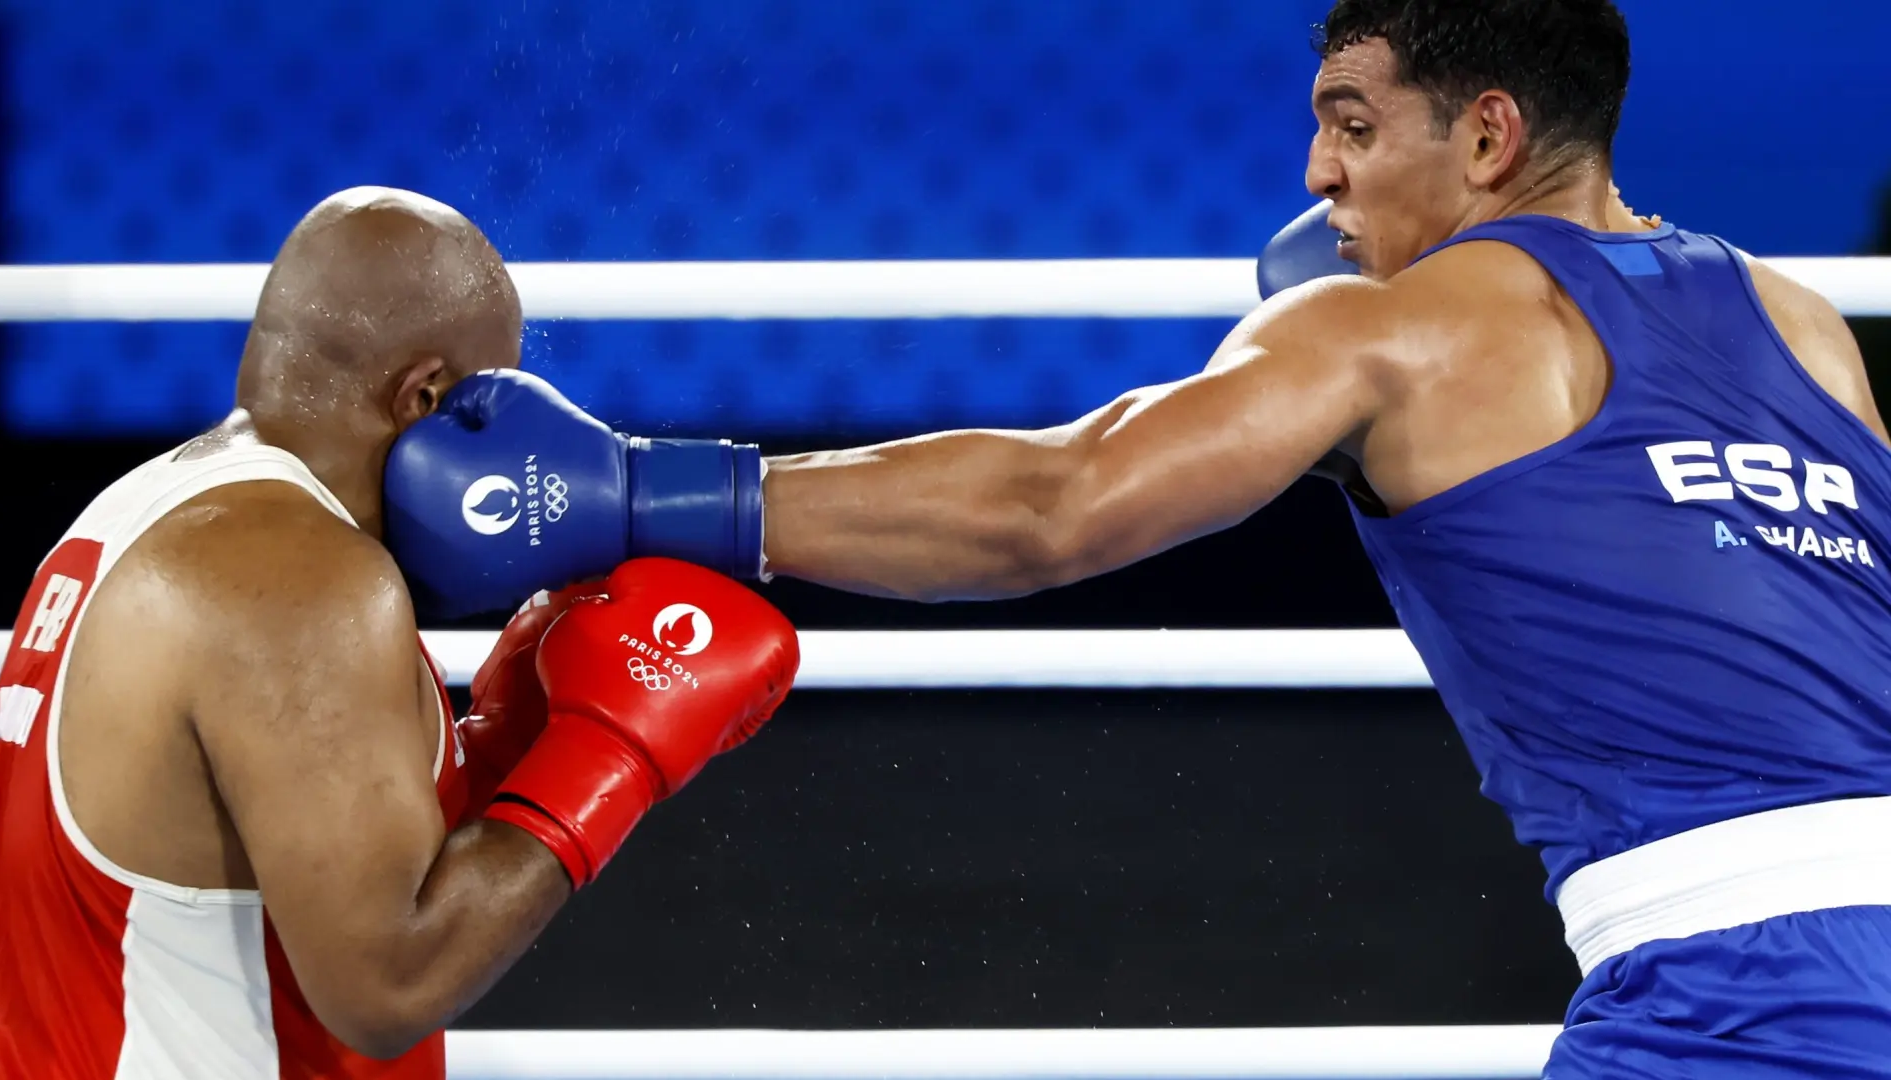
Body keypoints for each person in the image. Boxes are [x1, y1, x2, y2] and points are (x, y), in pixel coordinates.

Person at [385, 0, 1891, 1073]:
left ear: (1488, 136)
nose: (1319, 177)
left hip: (1734, 995)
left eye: (1354, 130)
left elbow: (1058, 505)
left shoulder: (1388, 330)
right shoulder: (1800, 322)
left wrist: (644, 495)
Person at [0, 186, 800, 1078]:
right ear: (426, 396)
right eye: (497, 406)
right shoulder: (300, 580)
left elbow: (254, 841)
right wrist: (611, 752)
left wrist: (500, 748)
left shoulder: (136, 516)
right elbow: (388, 985)